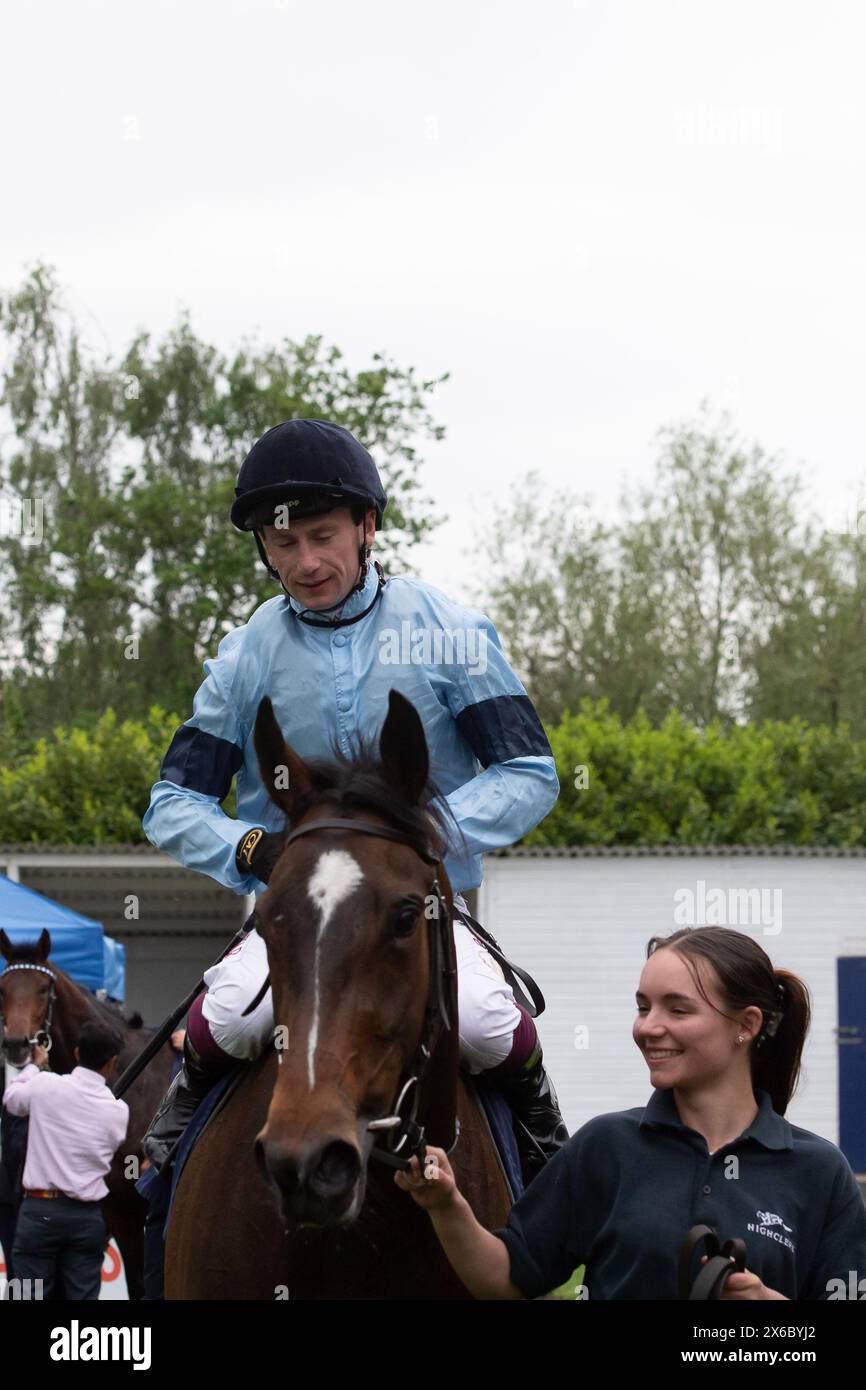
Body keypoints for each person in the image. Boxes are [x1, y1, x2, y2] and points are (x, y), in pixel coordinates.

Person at [141, 418, 567, 1182]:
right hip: (298, 918)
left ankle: (550, 1166)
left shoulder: (448, 632)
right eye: (284, 544)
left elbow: (530, 772)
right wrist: (254, 850)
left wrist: (421, 835)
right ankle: (163, 1169)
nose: (305, 562)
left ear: (366, 527)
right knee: (228, 1021)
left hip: (424, 912)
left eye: (322, 536)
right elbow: (171, 802)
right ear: (264, 550)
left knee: (485, 1022)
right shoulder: (245, 656)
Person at [395, 926, 866, 1300]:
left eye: (677, 1010)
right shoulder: (606, 1146)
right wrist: (447, 1204)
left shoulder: (820, 1172)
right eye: (643, 1007)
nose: (648, 1027)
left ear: (746, 1025)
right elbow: (509, 1279)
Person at [2, 1021, 129, 1300]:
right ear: (113, 1062)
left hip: (38, 1210)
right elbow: (112, 1144)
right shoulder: (119, 1111)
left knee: (26, 1296)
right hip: (86, 1219)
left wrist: (35, 1067)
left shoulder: (45, 1085)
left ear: (76, 1053)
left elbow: (11, 1100)